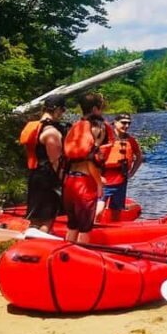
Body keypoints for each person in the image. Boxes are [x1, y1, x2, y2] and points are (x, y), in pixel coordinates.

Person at [62, 92, 113, 243]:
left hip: (70, 182)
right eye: (102, 107)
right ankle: (82, 252)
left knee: (72, 225)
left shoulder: (76, 126)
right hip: (85, 183)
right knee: (85, 228)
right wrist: (99, 184)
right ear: (95, 109)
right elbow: (91, 160)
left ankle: (67, 252)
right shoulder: (98, 128)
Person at [20, 95, 67, 231]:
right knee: (47, 219)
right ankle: (42, 239)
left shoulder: (35, 127)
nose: (62, 114)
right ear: (57, 110)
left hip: (35, 174)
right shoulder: (51, 132)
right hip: (48, 178)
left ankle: (30, 238)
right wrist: (64, 181)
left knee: (34, 215)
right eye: (63, 110)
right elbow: (55, 161)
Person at [101, 112, 143, 219]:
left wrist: (132, 173)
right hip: (105, 179)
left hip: (121, 179)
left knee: (117, 208)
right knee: (99, 206)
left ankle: (115, 226)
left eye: (129, 123)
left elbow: (139, 157)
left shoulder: (131, 140)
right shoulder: (105, 138)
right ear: (115, 123)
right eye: (123, 123)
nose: (126, 126)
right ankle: (92, 225)